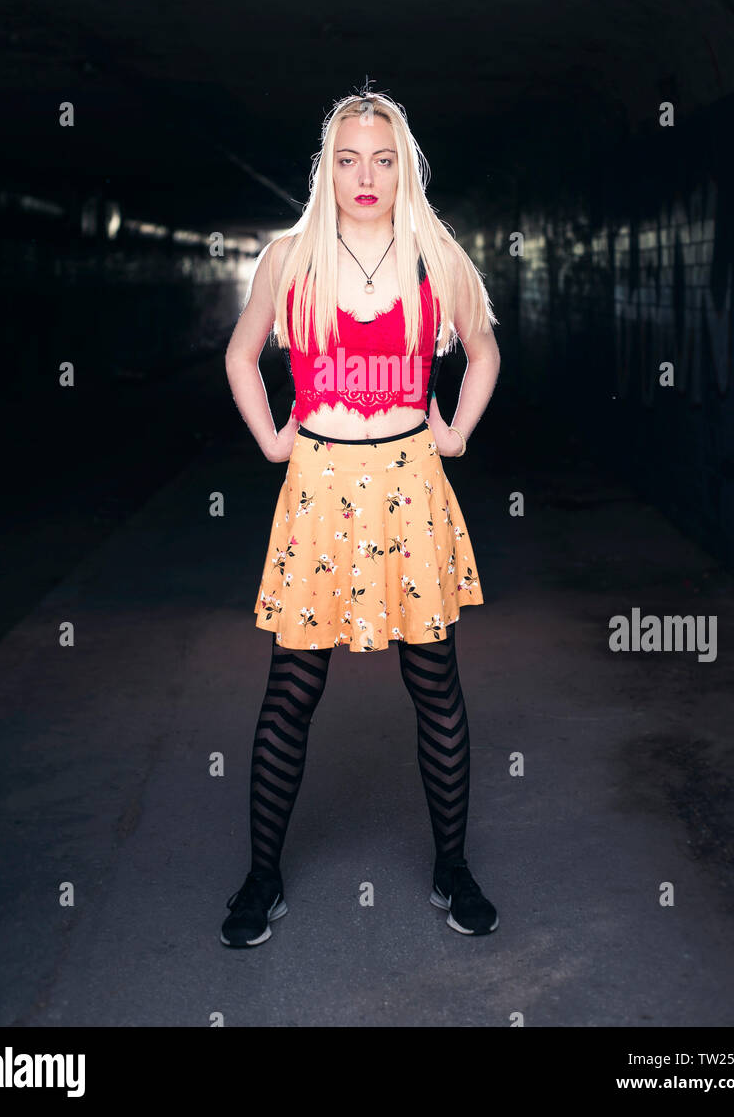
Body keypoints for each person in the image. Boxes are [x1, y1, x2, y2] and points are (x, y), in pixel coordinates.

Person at [221, 88, 501, 947]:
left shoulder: (433, 254)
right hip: (318, 488)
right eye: (347, 158)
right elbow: (240, 353)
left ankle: (451, 871)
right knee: (291, 690)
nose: (365, 175)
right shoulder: (290, 255)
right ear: (326, 167)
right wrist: (272, 439)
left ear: (404, 164)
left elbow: (483, 347)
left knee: (434, 684)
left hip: (411, 482)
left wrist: (454, 430)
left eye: (383, 158)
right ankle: (261, 880)